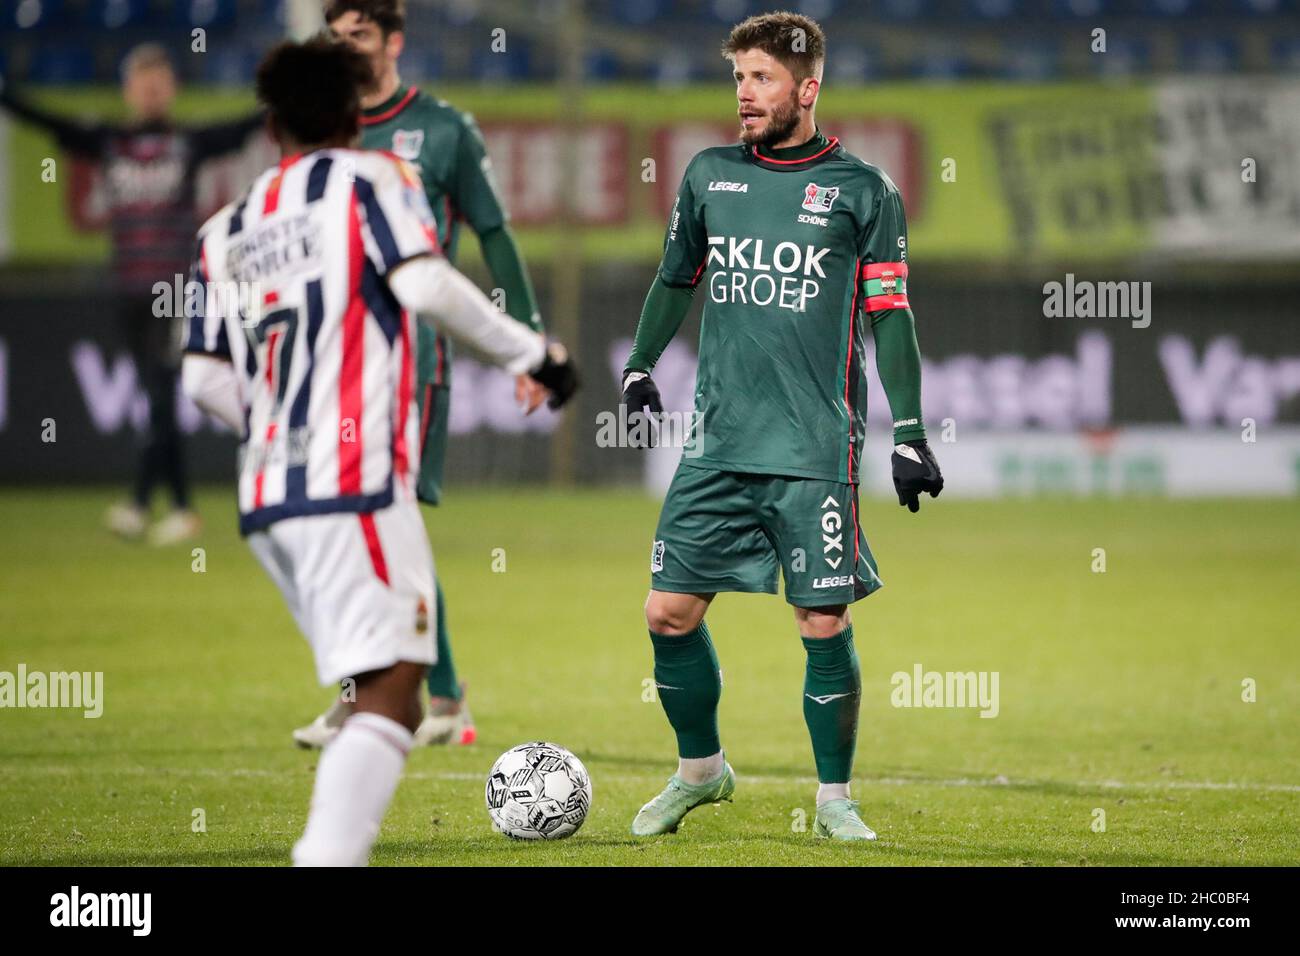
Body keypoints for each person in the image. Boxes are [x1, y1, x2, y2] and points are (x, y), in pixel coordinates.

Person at [180, 37, 578, 866]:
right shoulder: (371, 182)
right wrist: (533, 355)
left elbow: (203, 378)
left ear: (272, 122)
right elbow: (425, 283)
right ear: (356, 114)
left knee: (372, 685)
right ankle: (325, 858)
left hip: (268, 502)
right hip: (352, 483)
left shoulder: (228, 227)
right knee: (399, 692)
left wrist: (279, 428)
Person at [620, 11, 944, 841]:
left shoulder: (865, 192)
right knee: (667, 613)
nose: (744, 96)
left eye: (760, 79)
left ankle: (835, 800)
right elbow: (673, 277)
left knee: (822, 622)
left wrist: (909, 430)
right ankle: (701, 773)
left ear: (808, 87)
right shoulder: (707, 175)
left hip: (813, 446)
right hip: (720, 444)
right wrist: (640, 364)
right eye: (737, 79)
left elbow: (892, 315)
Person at [291, 0, 548, 749]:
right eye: (334, 36)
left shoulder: (441, 130)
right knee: (359, 524)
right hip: (335, 361)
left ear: (394, 40)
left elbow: (493, 234)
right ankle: (436, 696)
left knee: (377, 516)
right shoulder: (322, 132)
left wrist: (527, 344)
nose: (345, 47)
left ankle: (381, 697)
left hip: (410, 359)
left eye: (359, 34)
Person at [0, 46, 265, 544]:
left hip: (171, 290)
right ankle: (172, 506)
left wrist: (292, 91)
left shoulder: (189, 143)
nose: (151, 92)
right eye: (143, 84)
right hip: (127, 290)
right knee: (155, 397)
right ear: (128, 90)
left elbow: (247, 126)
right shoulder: (108, 142)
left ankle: (148, 503)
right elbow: (45, 119)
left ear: (172, 90)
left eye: (159, 84)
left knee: (163, 394)